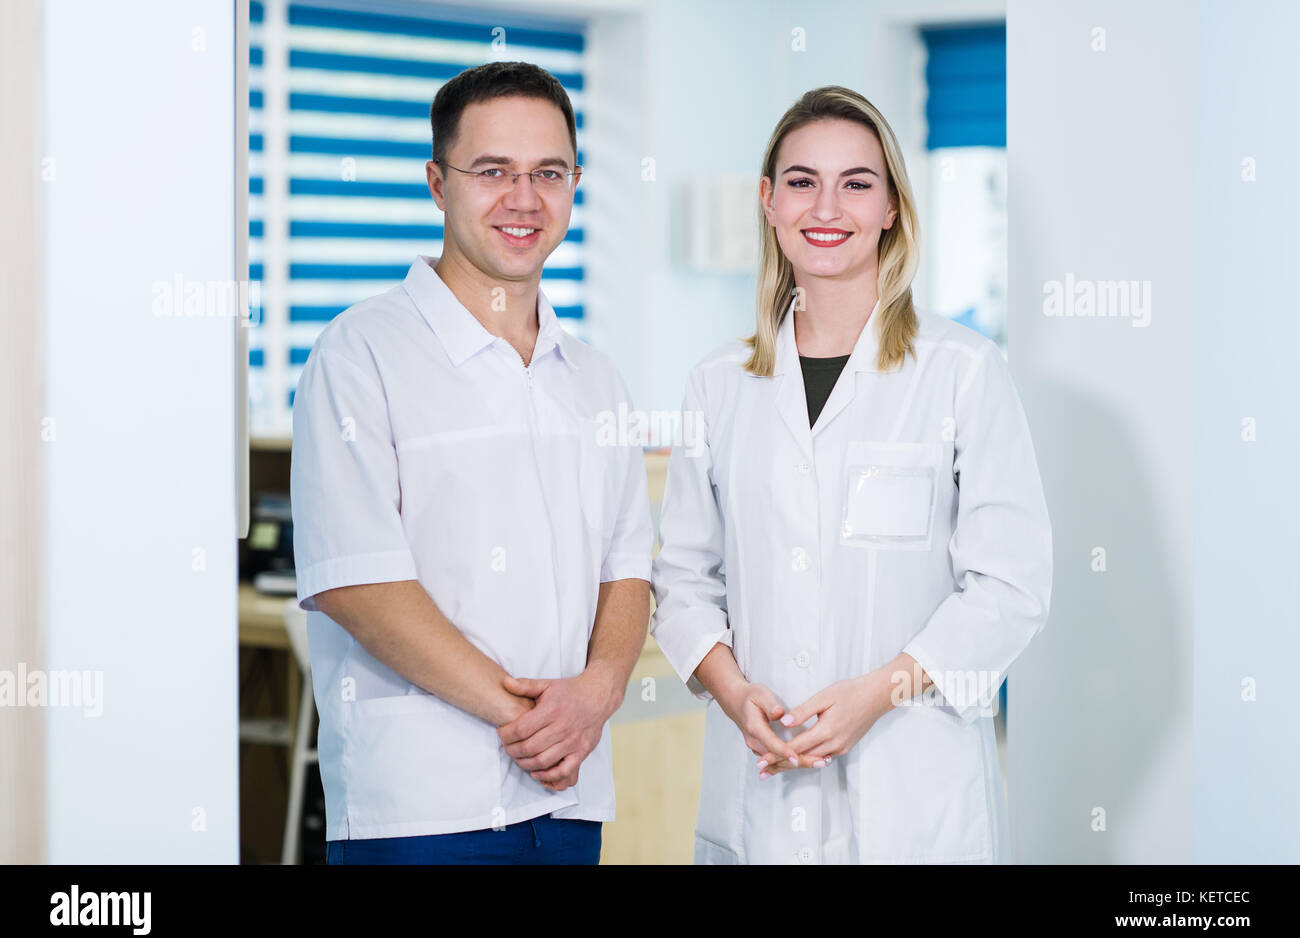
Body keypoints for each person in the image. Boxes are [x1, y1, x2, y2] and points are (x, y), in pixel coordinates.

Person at [650, 86, 1053, 865]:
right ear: (768, 202)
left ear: (893, 206)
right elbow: (685, 580)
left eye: (857, 183)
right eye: (801, 181)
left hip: (915, 788)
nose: (826, 206)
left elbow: (1010, 584)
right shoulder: (718, 382)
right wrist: (735, 693)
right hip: (762, 785)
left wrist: (882, 690)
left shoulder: (963, 372)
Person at [290, 61, 652, 865]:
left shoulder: (594, 378)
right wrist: (530, 719)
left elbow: (628, 569)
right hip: (421, 805)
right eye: (492, 171)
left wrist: (595, 696)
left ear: (575, 183)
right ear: (436, 182)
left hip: (568, 795)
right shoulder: (360, 354)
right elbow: (359, 581)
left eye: (549, 173)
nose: (524, 199)